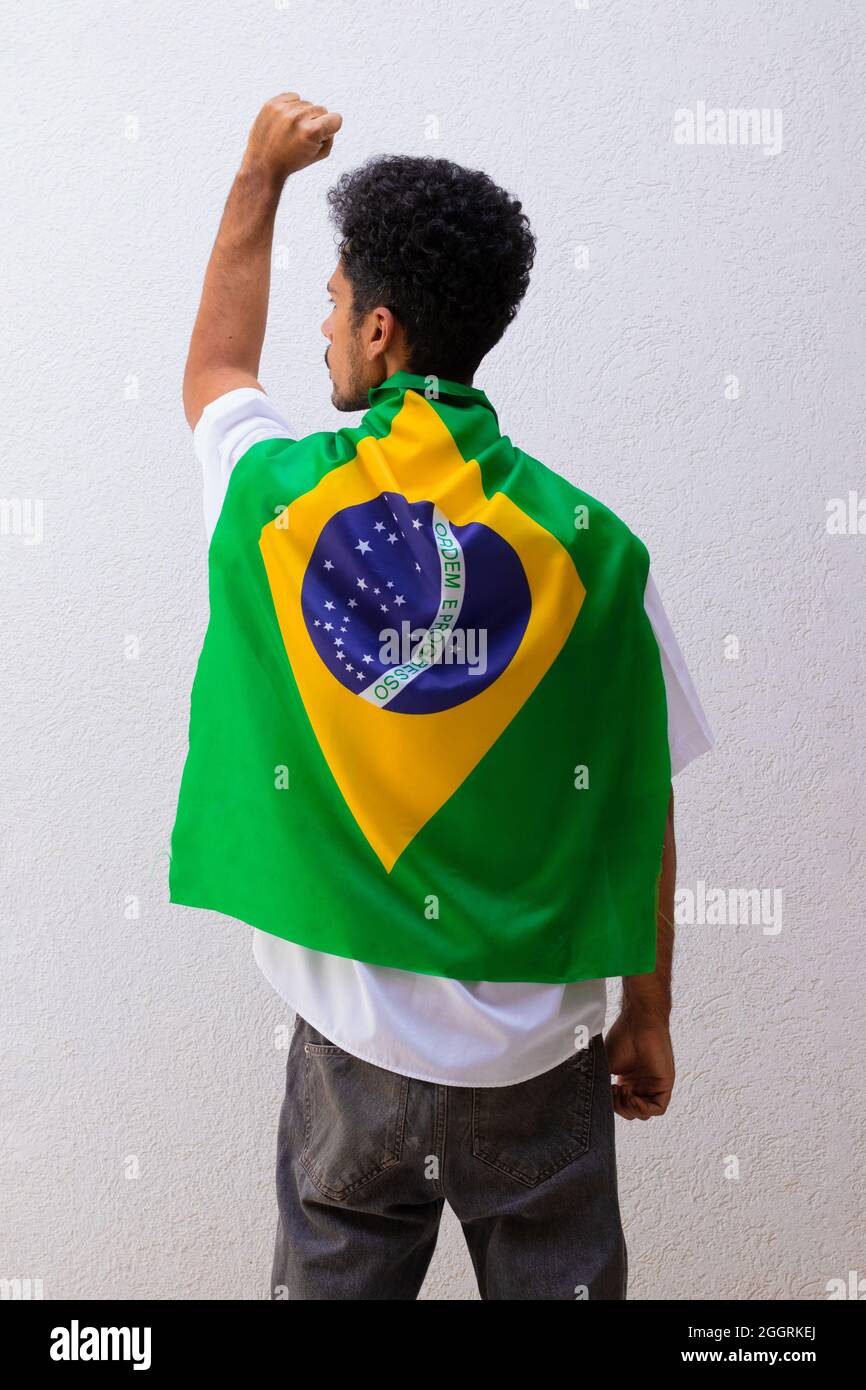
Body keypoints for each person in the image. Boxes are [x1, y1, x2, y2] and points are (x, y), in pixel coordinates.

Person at [171, 93, 714, 1301]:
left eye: (328, 302)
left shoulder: (279, 506)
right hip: (539, 1068)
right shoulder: (591, 548)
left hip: (350, 1060)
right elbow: (639, 798)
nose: (317, 327)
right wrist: (647, 1010)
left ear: (378, 329)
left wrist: (258, 172)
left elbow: (212, 368)